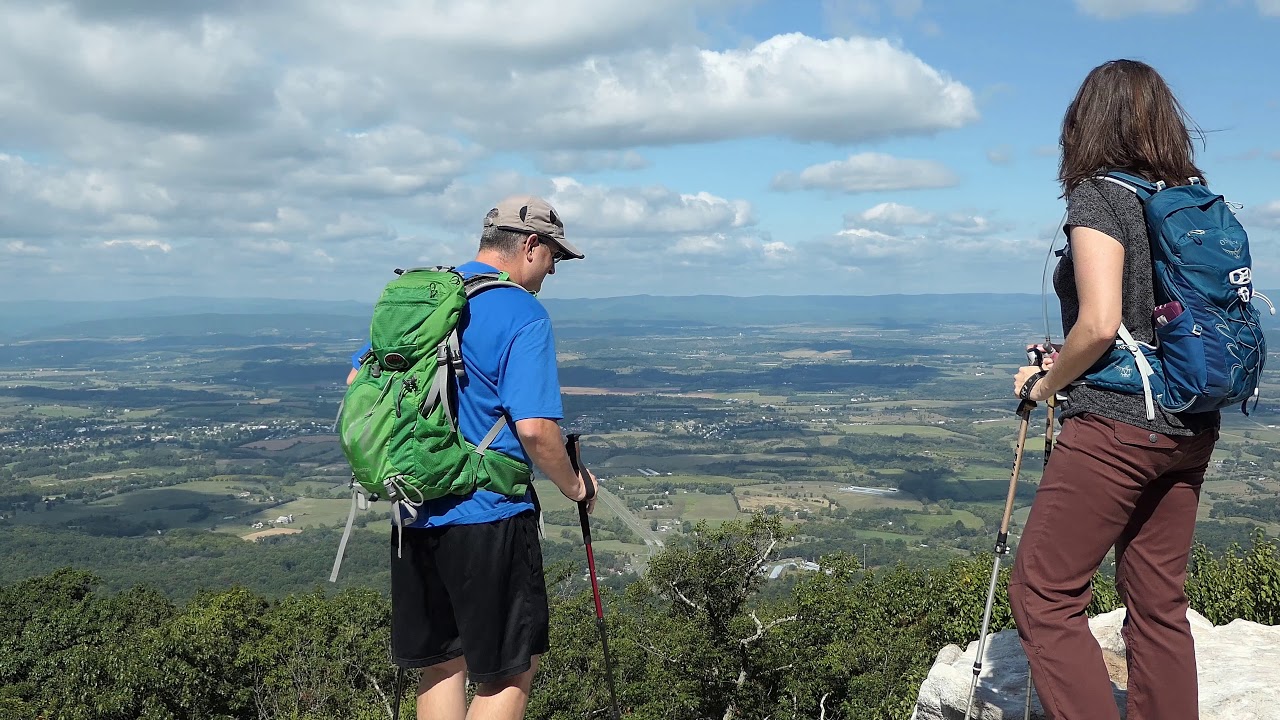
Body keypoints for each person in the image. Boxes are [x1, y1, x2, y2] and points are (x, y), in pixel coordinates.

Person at [1009, 60, 1220, 720]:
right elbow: (1139, 326)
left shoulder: (1100, 196)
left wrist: (1046, 383)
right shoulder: (1187, 196)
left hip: (1119, 427)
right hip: (1190, 422)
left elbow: (1100, 325)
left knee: (1043, 593)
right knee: (1157, 601)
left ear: (1086, 122)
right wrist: (1068, 357)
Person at [349, 195, 598, 719]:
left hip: (413, 509)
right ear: (530, 245)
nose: (553, 270)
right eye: (554, 255)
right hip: (488, 515)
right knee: (508, 670)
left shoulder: (422, 299)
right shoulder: (522, 312)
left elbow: (358, 382)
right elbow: (534, 429)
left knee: (441, 664)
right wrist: (577, 486)